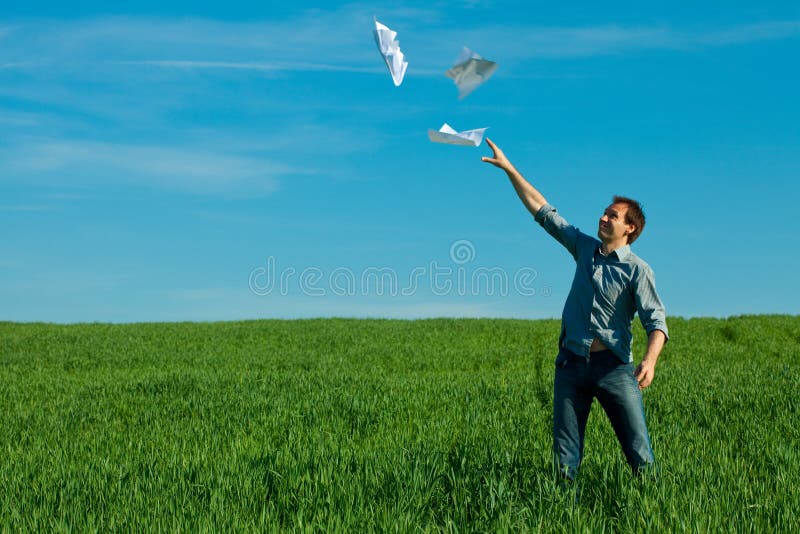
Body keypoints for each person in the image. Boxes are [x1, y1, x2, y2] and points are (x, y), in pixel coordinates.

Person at [481, 138, 669, 482]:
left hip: (613, 368)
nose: (603, 217)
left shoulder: (638, 270)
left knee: (639, 453)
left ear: (630, 228)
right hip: (570, 365)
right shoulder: (584, 248)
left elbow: (656, 321)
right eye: (604, 212)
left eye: (612, 215)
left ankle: (653, 509)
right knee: (565, 460)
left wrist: (650, 359)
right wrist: (509, 169)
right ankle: (564, 514)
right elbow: (544, 211)